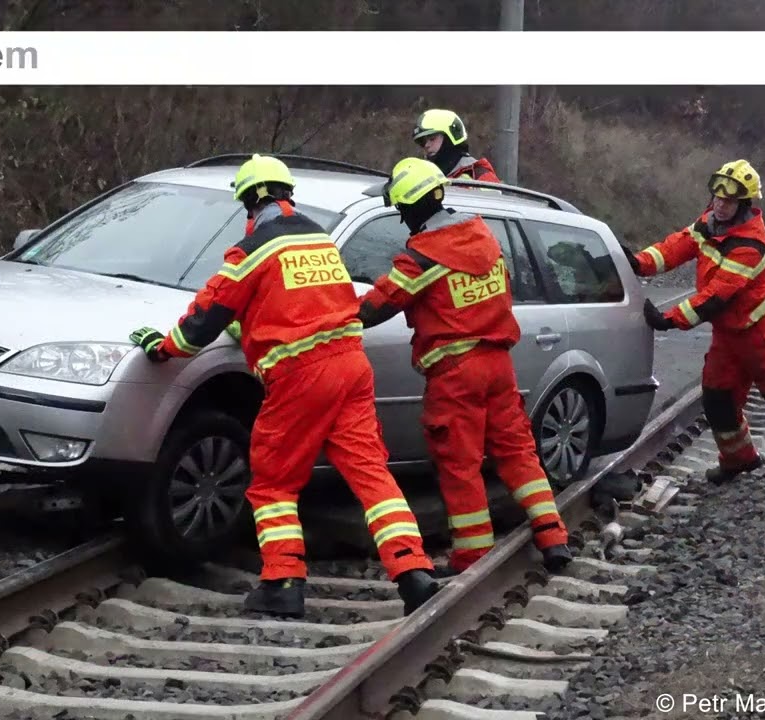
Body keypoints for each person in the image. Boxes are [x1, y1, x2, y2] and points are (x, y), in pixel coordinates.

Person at [127, 154, 441, 618]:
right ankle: (414, 572)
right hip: (351, 368)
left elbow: (204, 321)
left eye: (245, 206)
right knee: (371, 475)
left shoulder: (252, 249)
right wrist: (253, 326)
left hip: (301, 376)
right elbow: (302, 302)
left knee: (273, 482)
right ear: (285, 193)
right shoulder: (318, 238)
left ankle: (283, 581)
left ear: (253, 199)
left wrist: (164, 347)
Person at [355, 157, 573, 575]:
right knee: (518, 453)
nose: (404, 222)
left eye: (403, 212)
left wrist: (330, 314)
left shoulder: (422, 257)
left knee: (460, 463)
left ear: (411, 207)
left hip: (456, 372)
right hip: (498, 364)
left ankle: (472, 555)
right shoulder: (483, 236)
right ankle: (553, 535)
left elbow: (377, 307)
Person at [625, 159, 765, 486]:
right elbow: (676, 246)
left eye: (727, 201)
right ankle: (738, 459)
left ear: (744, 203)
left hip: (761, 335)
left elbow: (716, 296)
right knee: (718, 398)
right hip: (728, 337)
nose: (720, 205)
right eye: (717, 198)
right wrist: (639, 263)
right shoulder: (709, 224)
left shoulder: (750, 245)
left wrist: (669, 319)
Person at [411, 108, 502, 183]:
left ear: (450, 138)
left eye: (432, 138)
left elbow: (495, 203)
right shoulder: (422, 178)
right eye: (422, 142)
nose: (426, 145)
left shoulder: (479, 174)